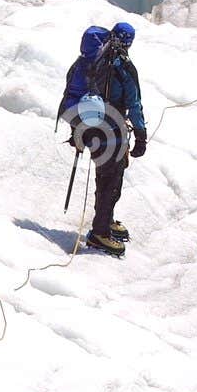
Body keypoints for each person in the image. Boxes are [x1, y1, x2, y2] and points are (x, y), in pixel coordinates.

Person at [58, 22, 146, 257]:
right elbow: (134, 104)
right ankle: (100, 233)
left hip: (91, 131)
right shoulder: (121, 66)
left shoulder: (87, 63)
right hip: (112, 131)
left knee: (103, 175)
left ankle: (105, 220)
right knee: (112, 180)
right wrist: (141, 135)